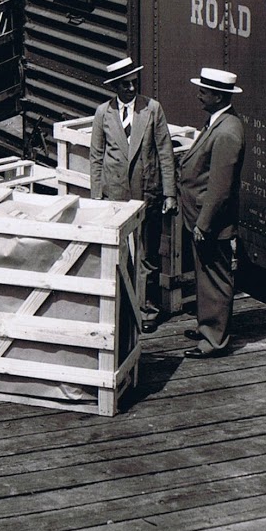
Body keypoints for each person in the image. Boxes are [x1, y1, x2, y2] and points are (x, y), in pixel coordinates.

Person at [89, 56, 177, 333]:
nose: (130, 89)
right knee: (119, 252)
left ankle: (147, 309)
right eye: (124, 85)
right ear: (115, 86)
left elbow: (165, 152)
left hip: (146, 194)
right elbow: (96, 157)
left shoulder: (152, 109)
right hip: (115, 196)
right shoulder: (103, 113)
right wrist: (96, 197)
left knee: (147, 255)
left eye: (133, 83)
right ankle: (122, 305)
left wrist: (170, 194)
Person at [176, 67, 246, 357]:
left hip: (212, 222)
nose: (199, 96)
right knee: (206, 276)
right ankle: (208, 326)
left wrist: (204, 224)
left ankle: (214, 340)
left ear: (218, 96)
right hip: (202, 218)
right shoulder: (218, 123)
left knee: (216, 278)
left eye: (203, 92)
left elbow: (220, 187)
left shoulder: (228, 132)